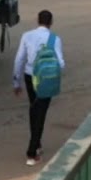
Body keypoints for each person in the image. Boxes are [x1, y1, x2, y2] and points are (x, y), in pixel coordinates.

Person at [12, 9, 65, 165]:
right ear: (51, 22)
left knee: (34, 108)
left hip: (30, 76)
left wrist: (16, 82)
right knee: (41, 112)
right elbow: (61, 63)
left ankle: (38, 143)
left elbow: (19, 60)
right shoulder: (55, 39)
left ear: (38, 20)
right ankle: (32, 152)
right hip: (46, 79)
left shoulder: (26, 36)